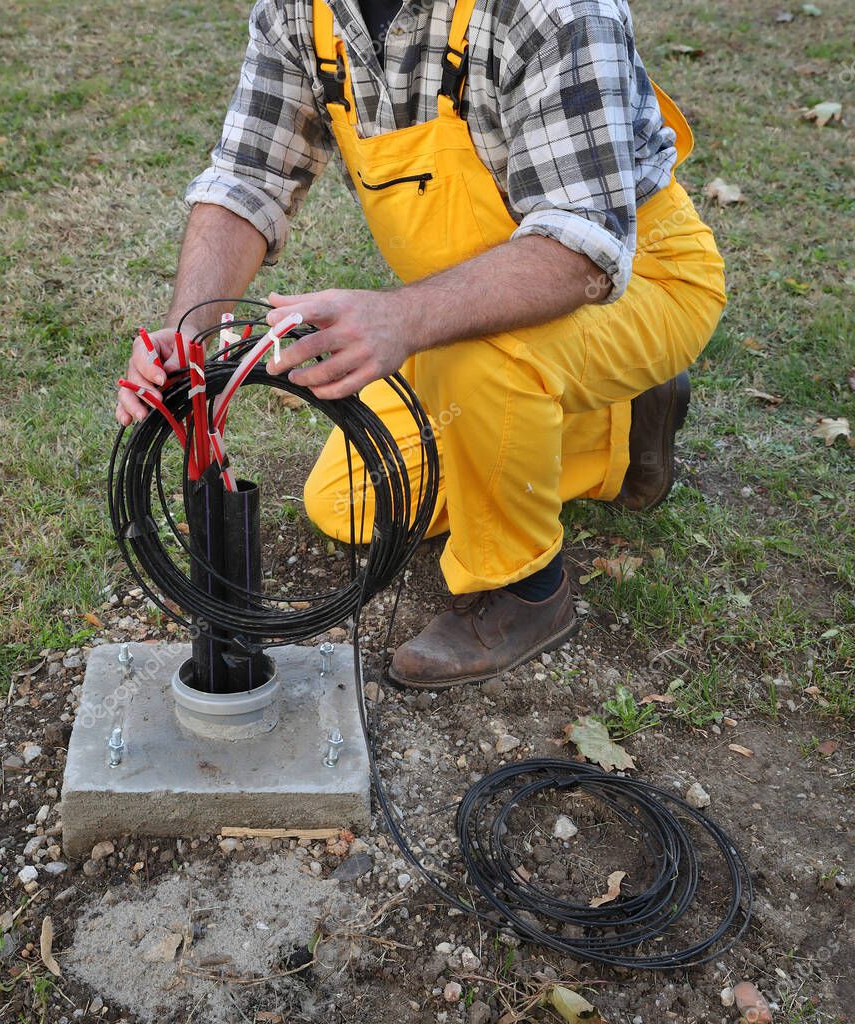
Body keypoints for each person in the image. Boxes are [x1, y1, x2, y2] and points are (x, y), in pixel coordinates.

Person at [115, 0, 726, 691]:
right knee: (349, 503)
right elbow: (247, 178)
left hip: (637, 278)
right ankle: (614, 431)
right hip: (468, 307)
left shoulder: (554, 10)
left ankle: (526, 591)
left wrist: (402, 319)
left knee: (487, 360)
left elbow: (584, 246)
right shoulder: (302, 12)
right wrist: (191, 334)